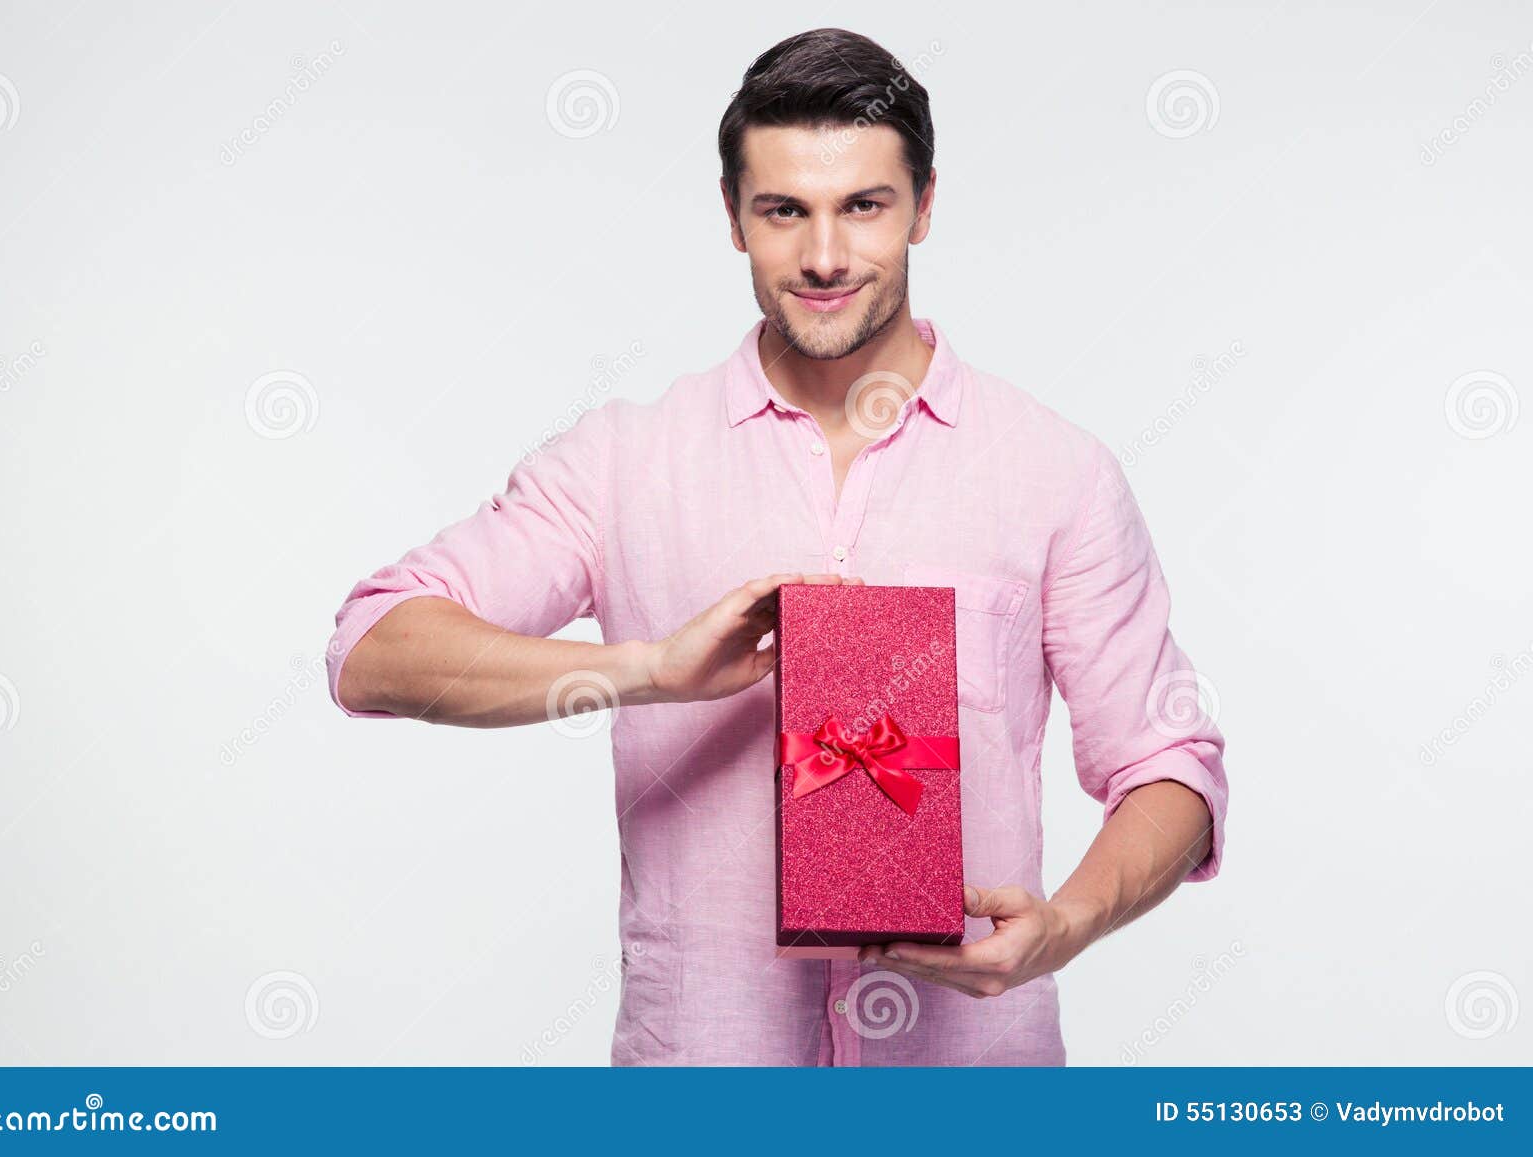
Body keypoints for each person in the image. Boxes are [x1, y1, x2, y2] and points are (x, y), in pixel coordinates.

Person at [325, 26, 1228, 1066]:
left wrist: (1066, 924)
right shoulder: (623, 461)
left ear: (925, 205)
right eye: (784, 211)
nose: (825, 256)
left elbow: (1169, 765)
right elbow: (373, 643)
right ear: (732, 217)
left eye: (864, 206)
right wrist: (648, 668)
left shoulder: (1054, 470)